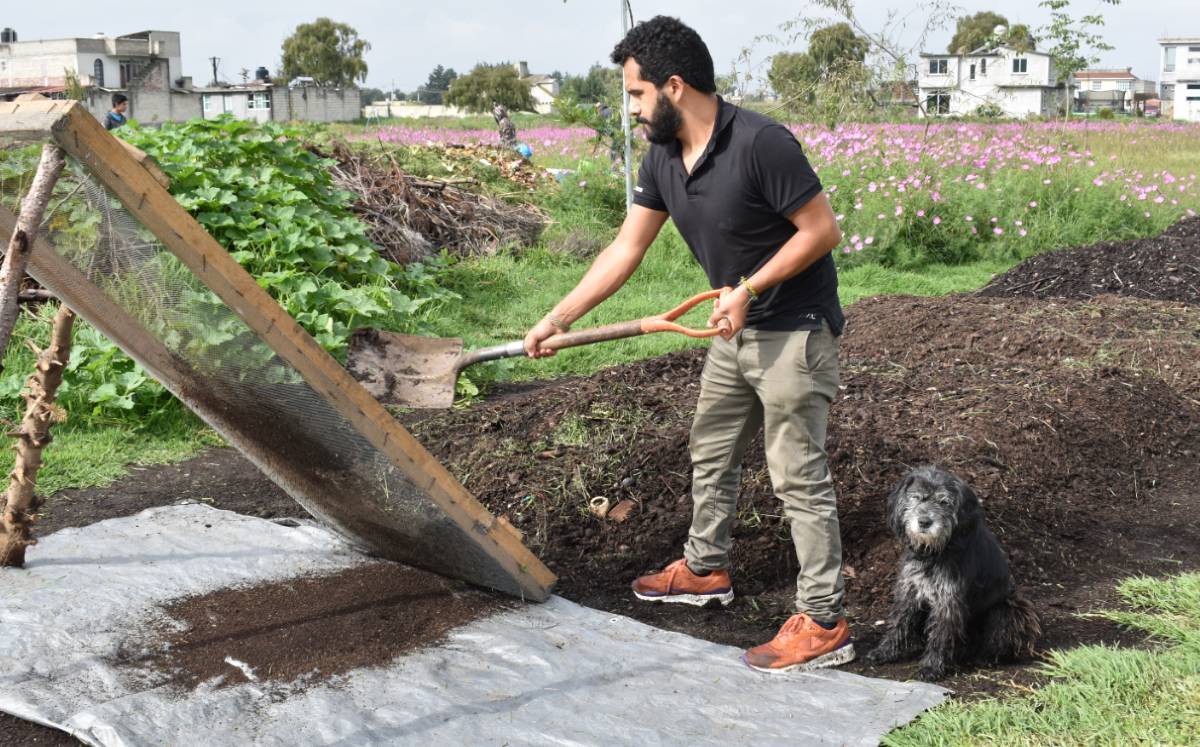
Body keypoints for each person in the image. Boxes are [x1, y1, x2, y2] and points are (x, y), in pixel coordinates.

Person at [522, 16, 852, 673]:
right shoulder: (663, 158)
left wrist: (749, 287)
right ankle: (706, 569)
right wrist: (559, 315)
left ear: (675, 86)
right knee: (712, 447)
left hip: (793, 327)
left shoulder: (762, 144)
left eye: (638, 96)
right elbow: (627, 247)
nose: (635, 111)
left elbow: (820, 231)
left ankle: (824, 620)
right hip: (732, 330)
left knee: (795, 473)